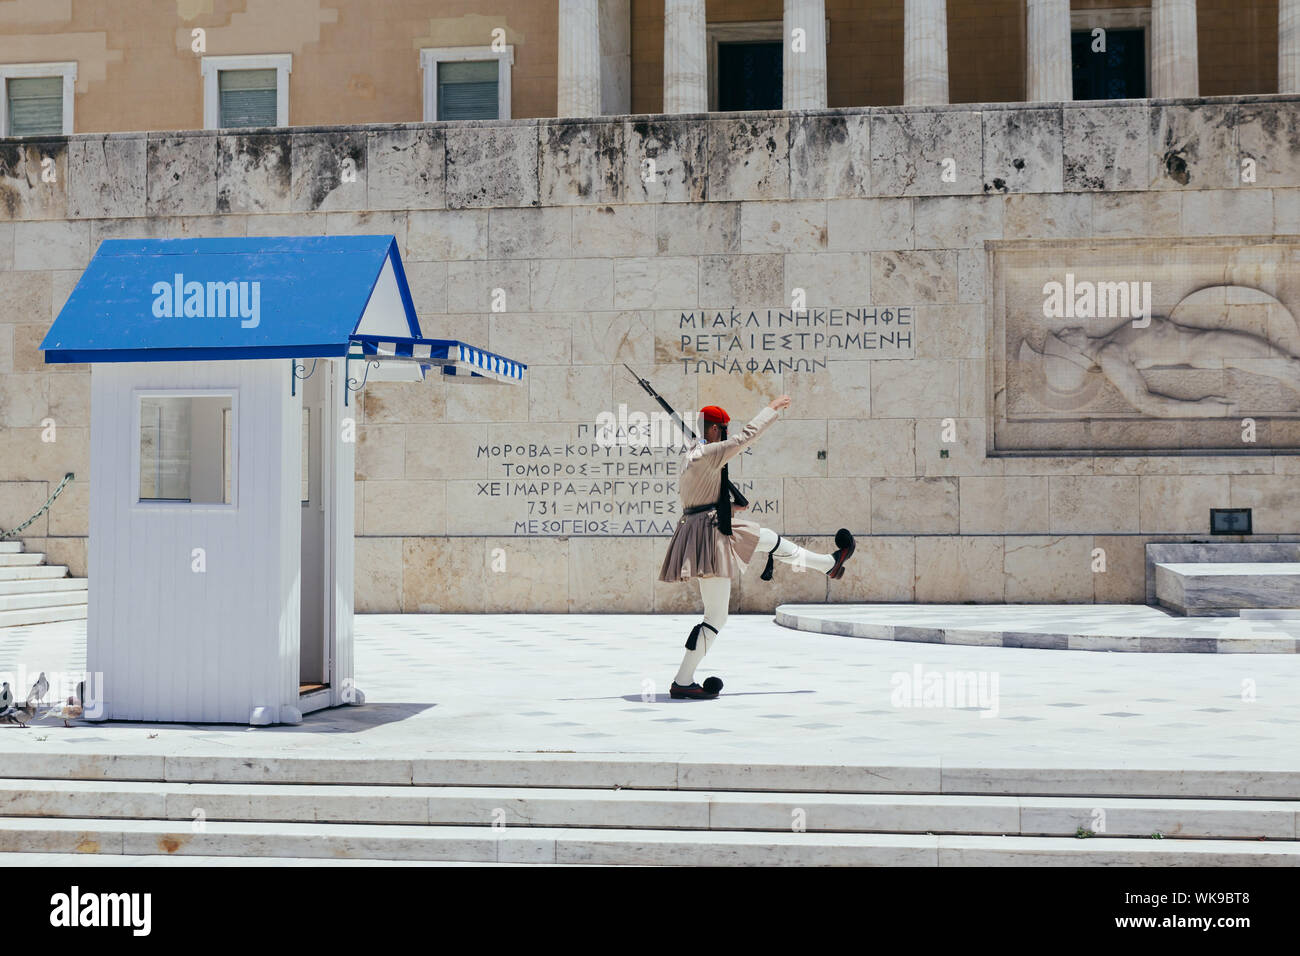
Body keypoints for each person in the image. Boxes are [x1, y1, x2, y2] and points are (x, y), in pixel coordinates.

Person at [658, 396, 855, 700]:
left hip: (703, 530)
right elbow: (746, 436)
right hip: (711, 536)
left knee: (763, 537)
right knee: (715, 617)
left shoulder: (692, 455)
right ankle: (683, 681)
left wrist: (728, 503)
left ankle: (827, 564)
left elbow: (703, 497)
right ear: (713, 431)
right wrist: (771, 411)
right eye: (723, 430)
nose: (725, 435)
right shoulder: (710, 453)